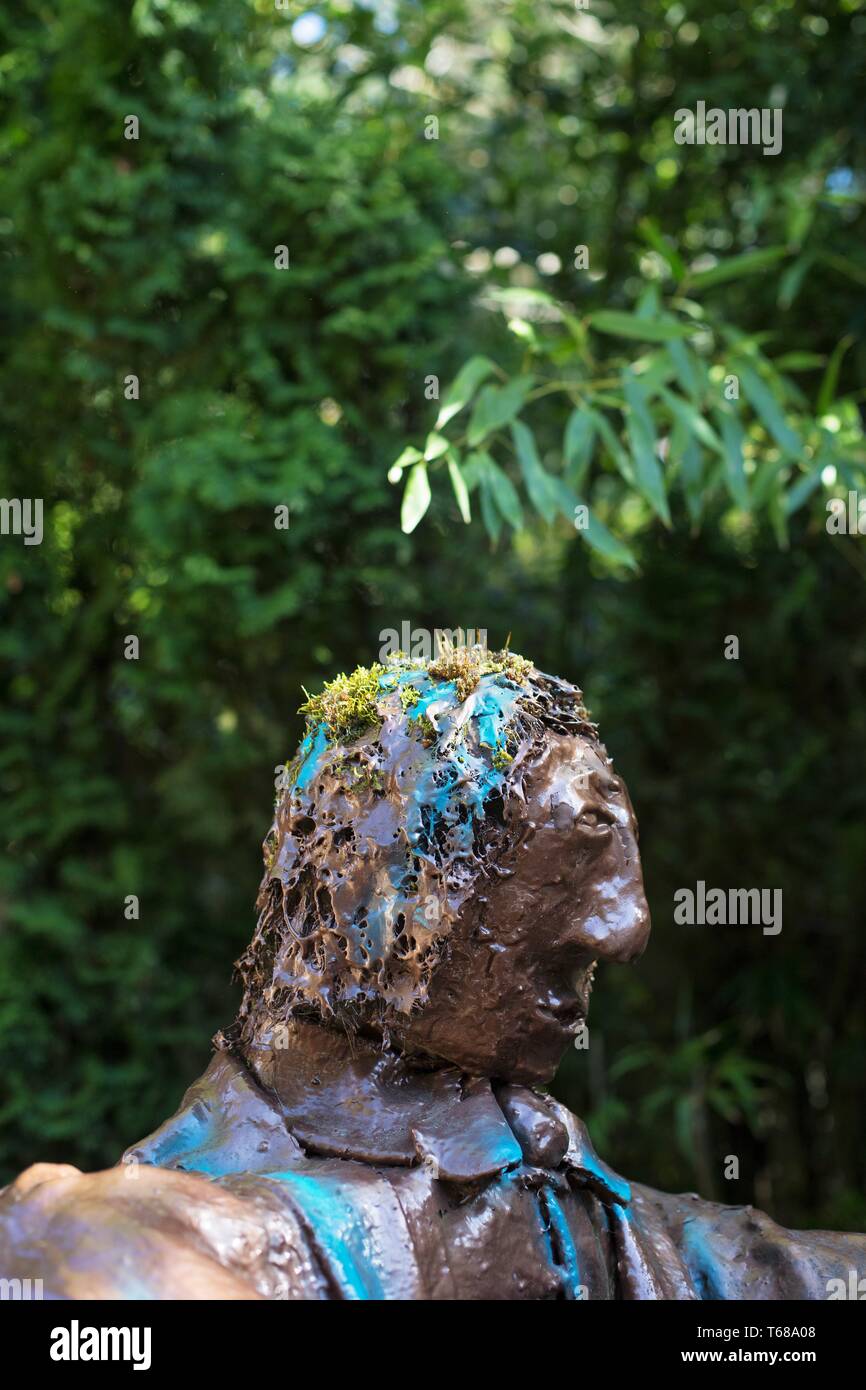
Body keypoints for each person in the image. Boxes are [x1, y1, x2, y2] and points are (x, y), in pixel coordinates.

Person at [1, 648, 863, 1299]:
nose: (627, 931)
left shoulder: (577, 1197)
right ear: (382, 886)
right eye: (579, 845)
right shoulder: (138, 1225)